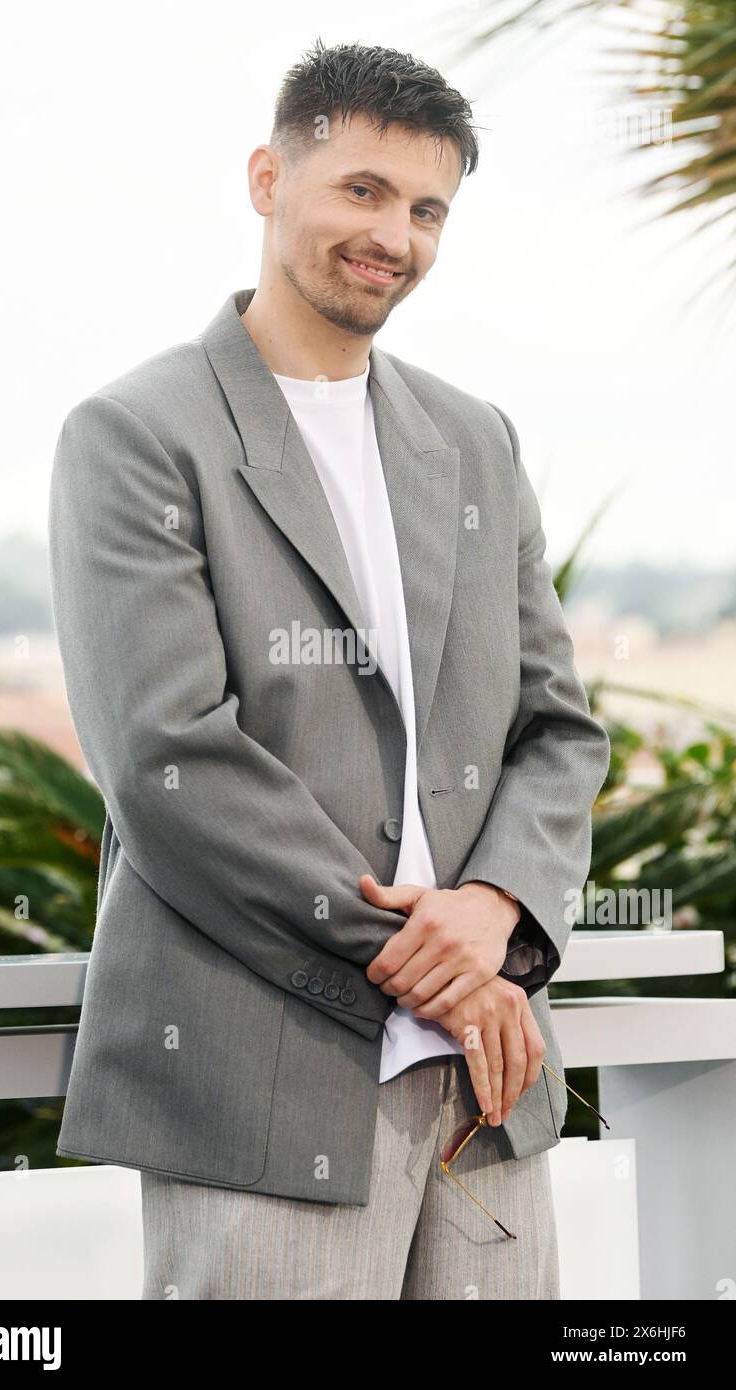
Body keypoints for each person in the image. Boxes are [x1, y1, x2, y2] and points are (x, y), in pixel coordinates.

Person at [48, 38, 611, 1299]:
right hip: (264, 1072)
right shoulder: (135, 436)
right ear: (267, 179)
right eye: (362, 189)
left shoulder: (474, 439)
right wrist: (442, 965)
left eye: (426, 210)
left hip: (484, 1089)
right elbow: (169, 756)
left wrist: (497, 911)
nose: (393, 236)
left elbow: (558, 731)